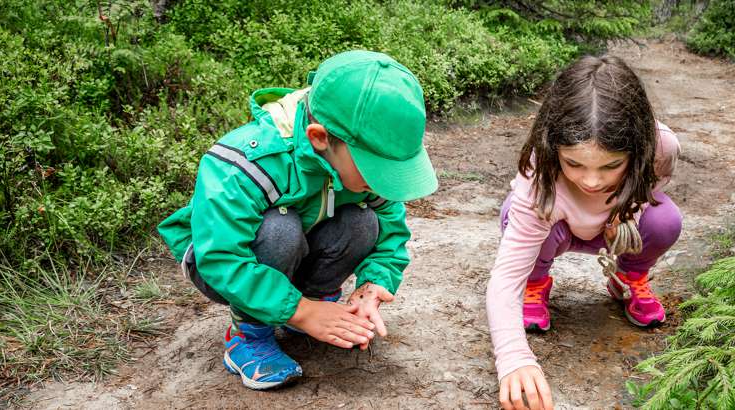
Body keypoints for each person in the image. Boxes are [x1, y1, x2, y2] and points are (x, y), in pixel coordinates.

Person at [157, 50, 438, 390]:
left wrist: (374, 283)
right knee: (280, 230)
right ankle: (248, 334)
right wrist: (303, 312)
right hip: (219, 262)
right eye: (375, 168)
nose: (382, 182)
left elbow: (390, 232)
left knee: (363, 223)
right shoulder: (248, 162)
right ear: (320, 138)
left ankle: (306, 306)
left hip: (295, 249)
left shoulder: (357, 164)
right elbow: (221, 257)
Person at [487, 55, 682, 409]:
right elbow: (504, 276)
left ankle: (629, 277)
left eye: (612, 165)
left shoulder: (662, 147)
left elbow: (652, 186)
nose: (591, 180)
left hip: (617, 230)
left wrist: (625, 212)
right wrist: (513, 357)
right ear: (552, 146)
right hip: (556, 230)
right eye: (574, 163)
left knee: (665, 220)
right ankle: (537, 281)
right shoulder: (540, 170)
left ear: (637, 149)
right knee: (514, 216)